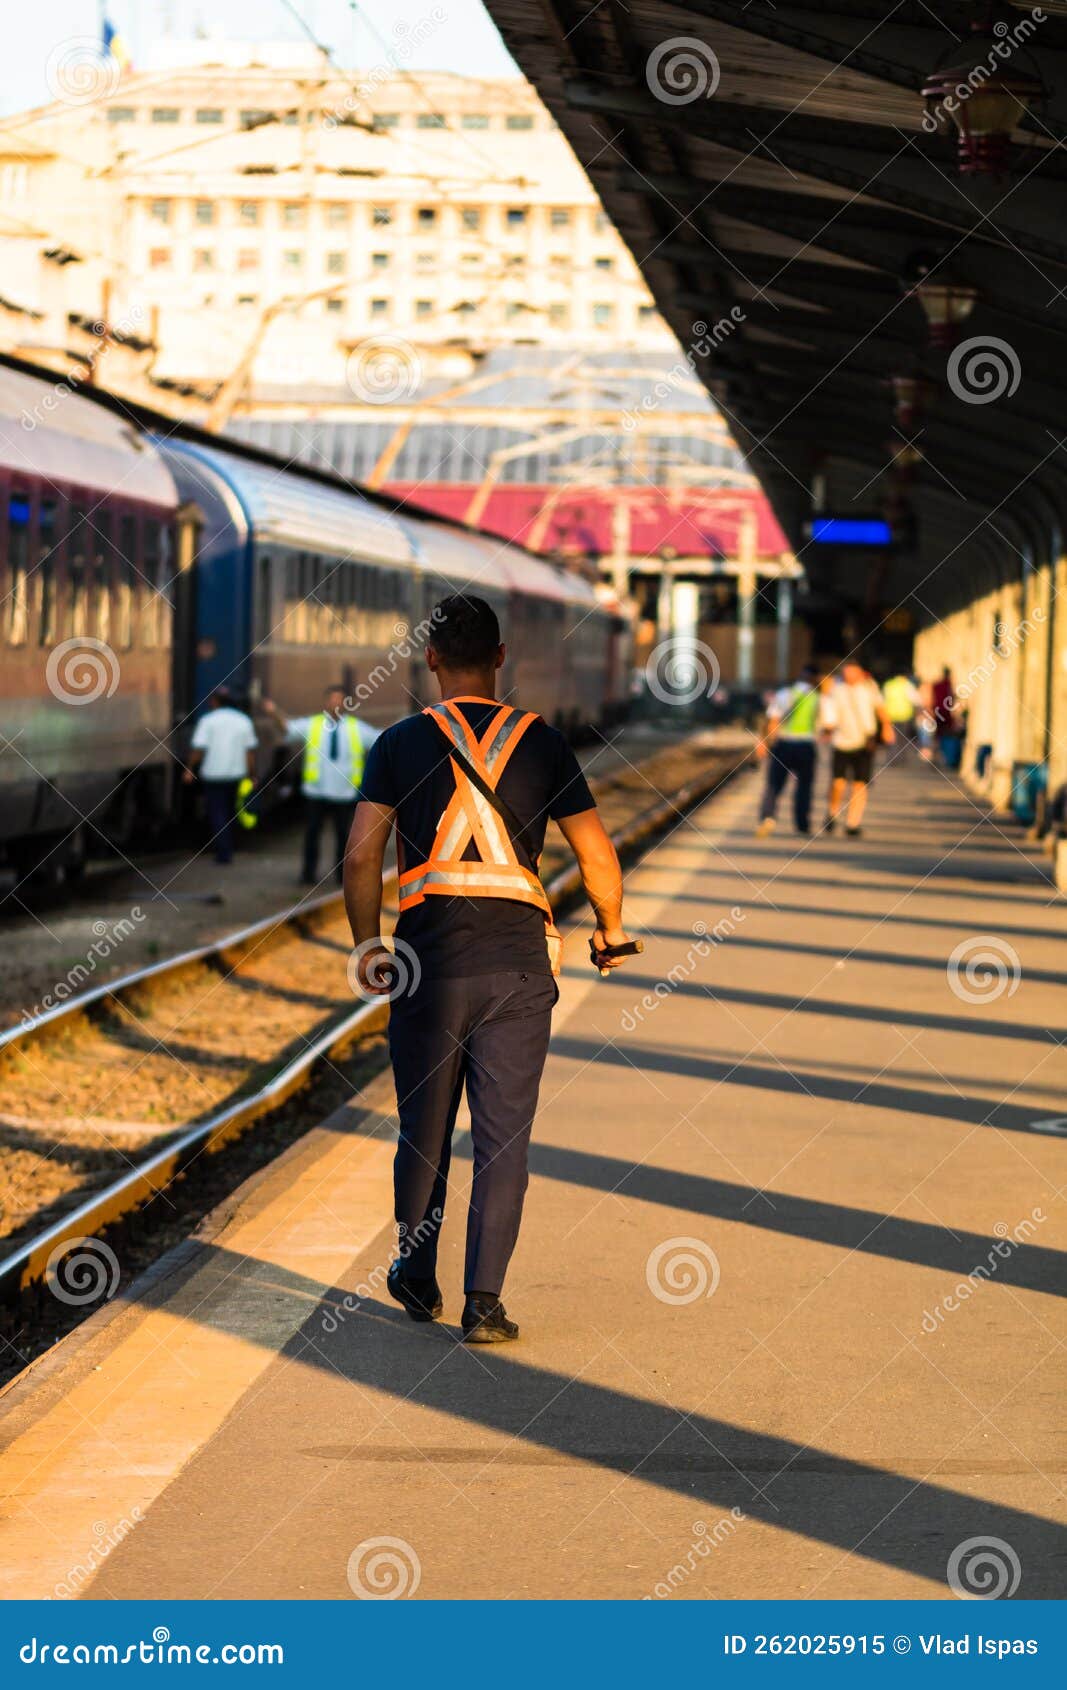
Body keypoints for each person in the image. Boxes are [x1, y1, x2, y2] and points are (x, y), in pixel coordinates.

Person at [345, 595, 636, 1344]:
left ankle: (414, 1272)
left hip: (426, 967)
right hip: (516, 969)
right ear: (500, 658)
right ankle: (483, 1306)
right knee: (504, 1141)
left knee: (424, 1129)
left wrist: (367, 943)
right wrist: (609, 930)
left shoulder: (397, 743)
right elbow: (597, 856)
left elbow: (359, 857)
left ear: (431, 658)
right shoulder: (542, 743)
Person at [265, 685, 380, 886]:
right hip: (316, 791)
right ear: (326, 702)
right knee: (312, 834)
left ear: (346, 703)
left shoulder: (357, 728)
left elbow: (380, 739)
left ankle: (342, 877)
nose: (336, 703)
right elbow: (287, 728)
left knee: (344, 838)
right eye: (332, 699)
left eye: (340, 700)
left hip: (344, 793)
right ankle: (308, 874)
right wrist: (273, 712)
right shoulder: (314, 725)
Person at [183, 687, 257, 865]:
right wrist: (252, 775)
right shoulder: (244, 721)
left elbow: (199, 749)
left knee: (217, 814)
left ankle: (223, 853)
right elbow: (249, 753)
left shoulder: (207, 721)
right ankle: (229, 847)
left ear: (214, 702)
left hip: (213, 775)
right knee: (231, 812)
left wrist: (189, 769)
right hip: (236, 775)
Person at [820, 660, 893, 837]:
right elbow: (828, 712)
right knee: (838, 782)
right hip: (841, 742)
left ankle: (853, 822)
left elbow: (880, 708)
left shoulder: (870, 688)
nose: (850, 676)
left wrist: (886, 727)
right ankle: (833, 812)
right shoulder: (836, 690)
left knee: (860, 784)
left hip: (865, 742)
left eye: (853, 673)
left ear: (860, 673)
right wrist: (827, 728)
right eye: (847, 673)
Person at [755, 663, 821, 837]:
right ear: (815, 679)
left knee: (774, 785)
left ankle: (767, 817)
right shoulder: (818, 698)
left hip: (783, 745)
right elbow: (826, 724)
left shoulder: (785, 693)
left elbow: (773, 721)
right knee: (804, 787)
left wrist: (765, 743)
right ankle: (802, 824)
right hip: (806, 746)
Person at [883, 670, 922, 741]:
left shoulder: (888, 685)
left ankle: (898, 751)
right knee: (905, 738)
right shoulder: (906, 684)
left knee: (896, 739)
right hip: (905, 716)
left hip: (892, 716)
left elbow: (884, 701)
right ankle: (904, 751)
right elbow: (916, 700)